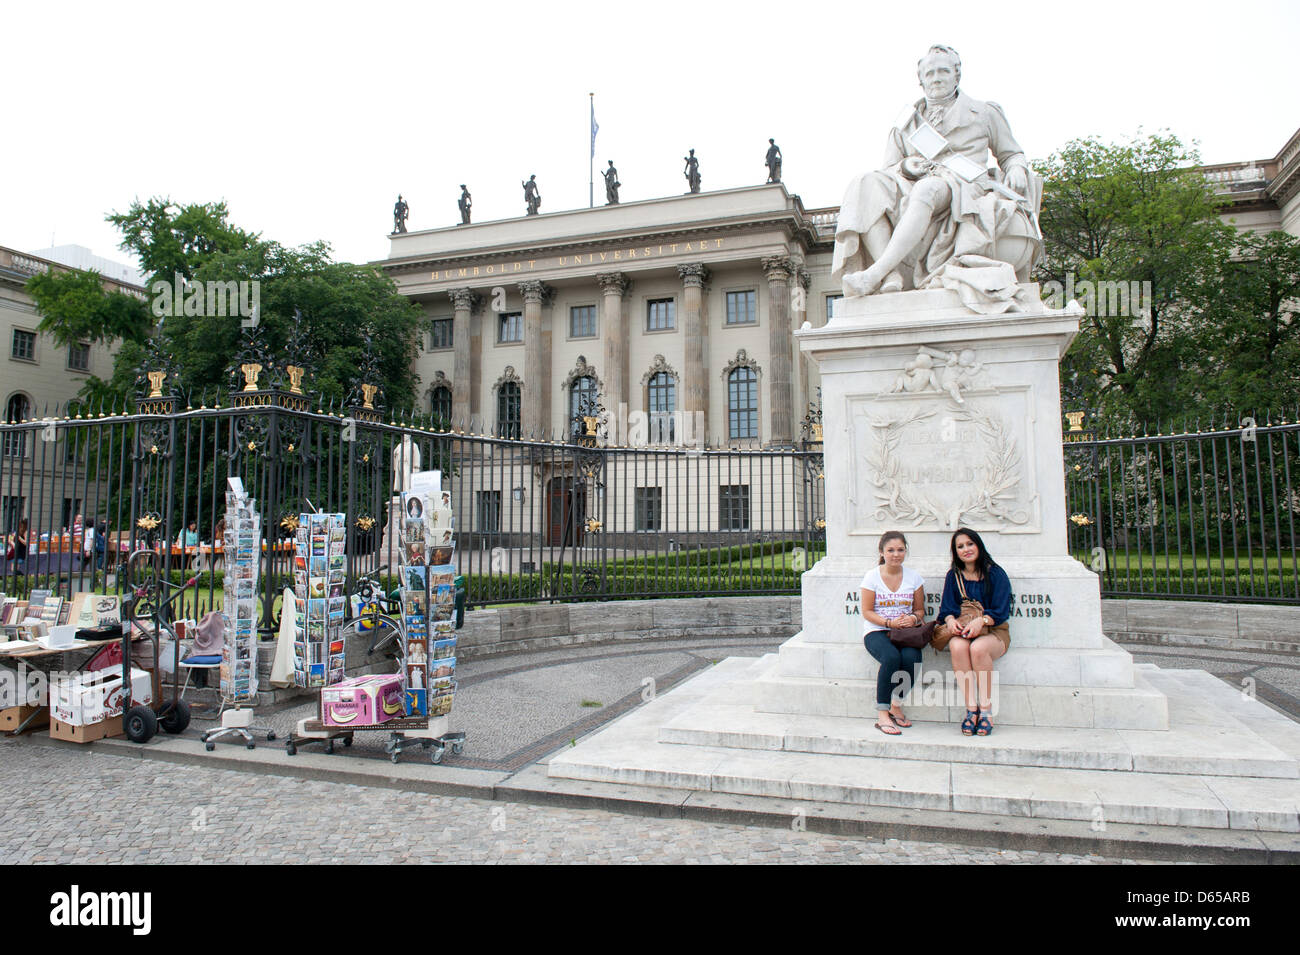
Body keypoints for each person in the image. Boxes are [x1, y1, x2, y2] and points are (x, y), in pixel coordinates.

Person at [831, 45, 1041, 304]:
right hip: (914, 184)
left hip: (964, 187)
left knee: (927, 189)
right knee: (864, 183)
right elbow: (889, 169)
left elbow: (1011, 154)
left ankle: (876, 272)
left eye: (943, 71)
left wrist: (1017, 168)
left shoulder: (985, 112)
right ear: (921, 81)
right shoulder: (906, 124)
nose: (936, 78)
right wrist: (908, 167)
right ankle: (891, 275)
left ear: (957, 75)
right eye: (929, 73)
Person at [933, 527, 1011, 736]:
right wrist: (950, 621)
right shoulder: (954, 576)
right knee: (957, 646)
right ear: (955, 552)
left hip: (994, 630)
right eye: (960, 546)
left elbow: (1002, 610)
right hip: (964, 629)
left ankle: (986, 710)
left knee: (978, 649)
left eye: (970, 544)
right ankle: (971, 708)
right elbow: (947, 609)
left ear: (978, 545)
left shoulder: (995, 573)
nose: (966, 549)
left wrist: (982, 620)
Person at [860, 529, 926, 735]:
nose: (896, 554)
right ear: (881, 552)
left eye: (900, 550)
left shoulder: (914, 578)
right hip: (878, 630)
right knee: (891, 658)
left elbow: (920, 609)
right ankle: (882, 713)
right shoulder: (871, 577)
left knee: (912, 657)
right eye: (890, 550)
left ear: (905, 551)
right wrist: (889, 622)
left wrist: (913, 619)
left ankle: (896, 704)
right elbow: (867, 611)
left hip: (905, 632)